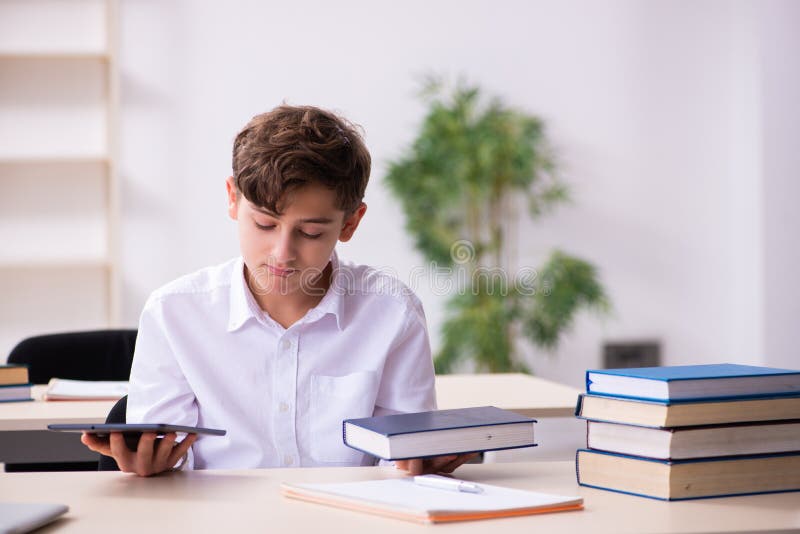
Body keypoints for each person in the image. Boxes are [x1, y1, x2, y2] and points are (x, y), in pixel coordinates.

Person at [82, 105, 476, 476]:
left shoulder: (393, 312)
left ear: (350, 224)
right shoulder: (174, 313)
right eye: (265, 225)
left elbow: (400, 461)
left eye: (310, 232)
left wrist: (418, 461)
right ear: (233, 199)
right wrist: (154, 468)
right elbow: (168, 458)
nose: (282, 253)